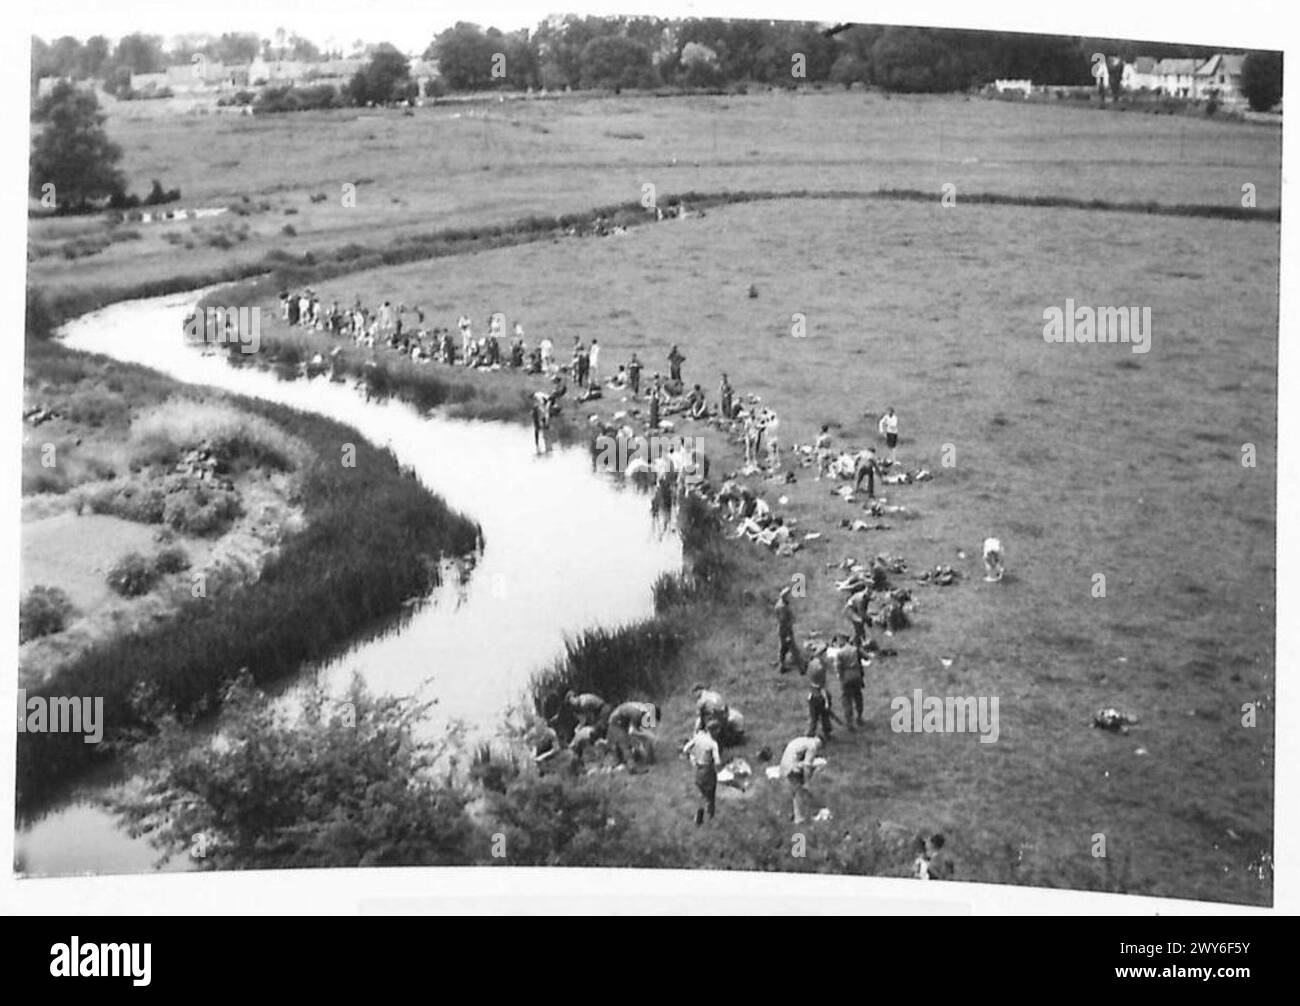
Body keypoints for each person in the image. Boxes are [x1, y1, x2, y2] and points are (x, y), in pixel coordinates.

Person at [682, 724, 723, 825]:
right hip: (708, 770)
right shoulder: (713, 744)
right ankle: (711, 816)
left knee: (702, 793)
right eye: (717, 730)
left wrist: (692, 758)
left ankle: (699, 816)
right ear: (713, 730)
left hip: (698, 770)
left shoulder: (698, 737)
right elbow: (717, 762)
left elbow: (685, 749)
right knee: (710, 795)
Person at [780, 735, 823, 825]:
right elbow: (807, 766)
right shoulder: (812, 746)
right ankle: (799, 819)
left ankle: (795, 814)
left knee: (794, 791)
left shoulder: (801, 739)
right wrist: (807, 782)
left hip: (784, 764)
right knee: (799, 791)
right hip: (792, 766)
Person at [607, 700, 660, 765]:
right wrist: (646, 736)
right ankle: (630, 765)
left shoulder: (643, 710)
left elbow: (638, 727)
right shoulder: (637, 713)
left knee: (643, 739)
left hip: (624, 718)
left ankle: (643, 759)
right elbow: (632, 731)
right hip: (616, 721)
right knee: (624, 742)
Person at [835, 635, 866, 729]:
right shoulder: (855, 649)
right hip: (857, 675)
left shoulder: (840, 653)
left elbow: (839, 667)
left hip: (846, 676)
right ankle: (859, 717)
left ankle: (849, 722)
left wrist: (840, 678)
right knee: (858, 696)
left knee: (847, 699)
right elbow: (866, 657)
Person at [774, 586, 805, 674]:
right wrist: (788, 634)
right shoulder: (782, 607)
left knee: (783, 650)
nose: (790, 597)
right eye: (788, 595)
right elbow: (783, 621)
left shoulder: (784, 604)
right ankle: (801, 669)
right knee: (794, 650)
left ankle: (782, 667)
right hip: (785, 631)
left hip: (784, 630)